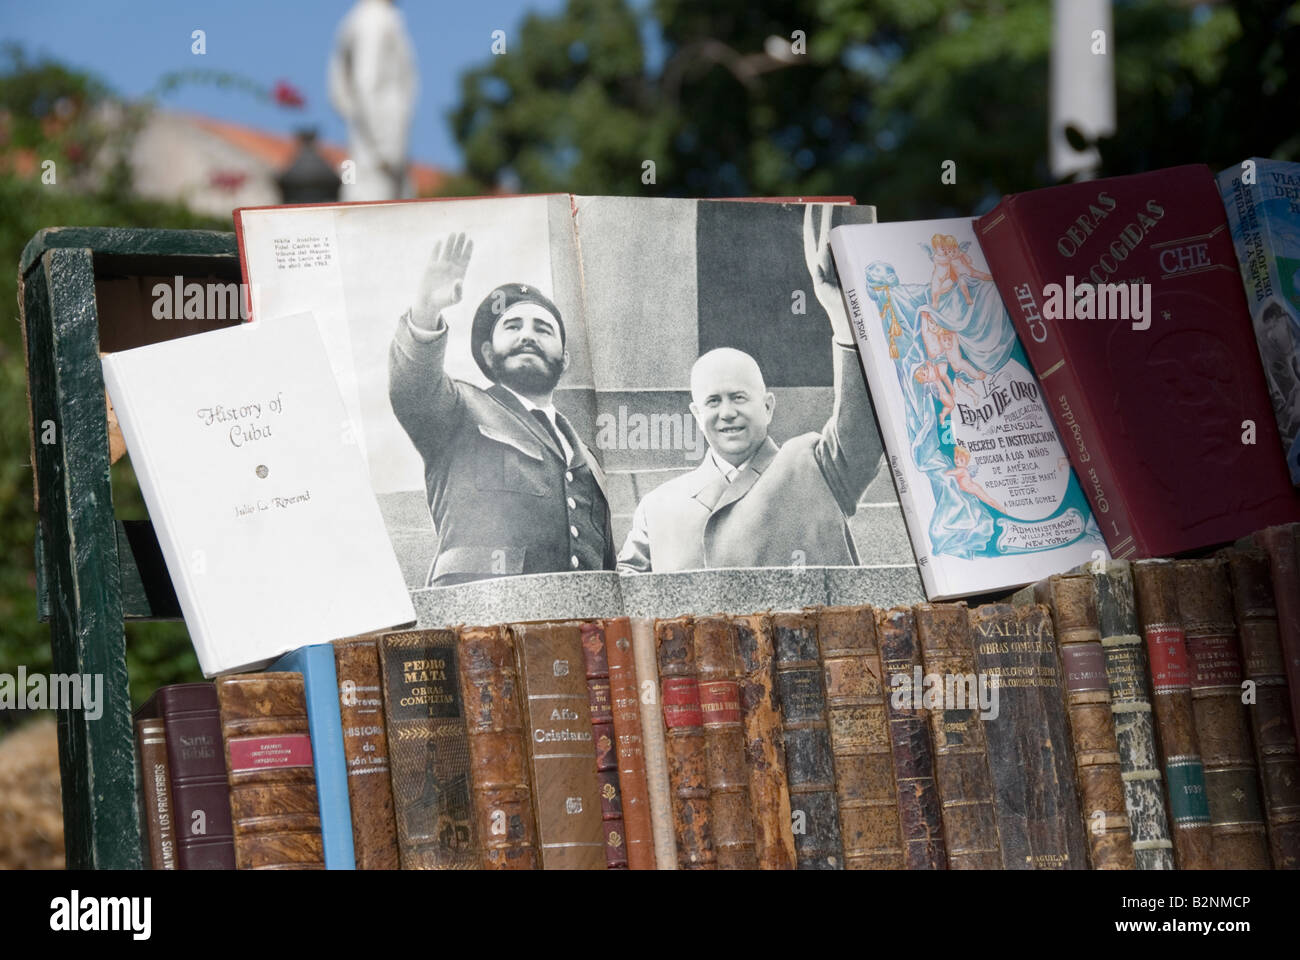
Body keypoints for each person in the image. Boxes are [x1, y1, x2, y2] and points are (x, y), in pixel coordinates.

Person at [617, 206, 882, 573]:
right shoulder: (657, 507)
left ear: (768, 406)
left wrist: (842, 316)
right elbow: (627, 602)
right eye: (713, 401)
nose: (727, 412)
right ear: (696, 414)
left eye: (739, 397)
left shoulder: (814, 464)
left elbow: (864, 429)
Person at [389, 232, 616, 586]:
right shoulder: (458, 409)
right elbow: (412, 389)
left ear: (565, 361)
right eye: (513, 327)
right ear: (489, 354)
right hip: (480, 625)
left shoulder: (586, 457)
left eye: (543, 329)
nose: (528, 336)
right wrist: (426, 311)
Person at [328, 0, 417, 201]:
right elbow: (365, 83)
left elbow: (339, 91)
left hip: (377, 143)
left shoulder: (361, 19)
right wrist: (384, 146)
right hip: (380, 149)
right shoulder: (374, 20)